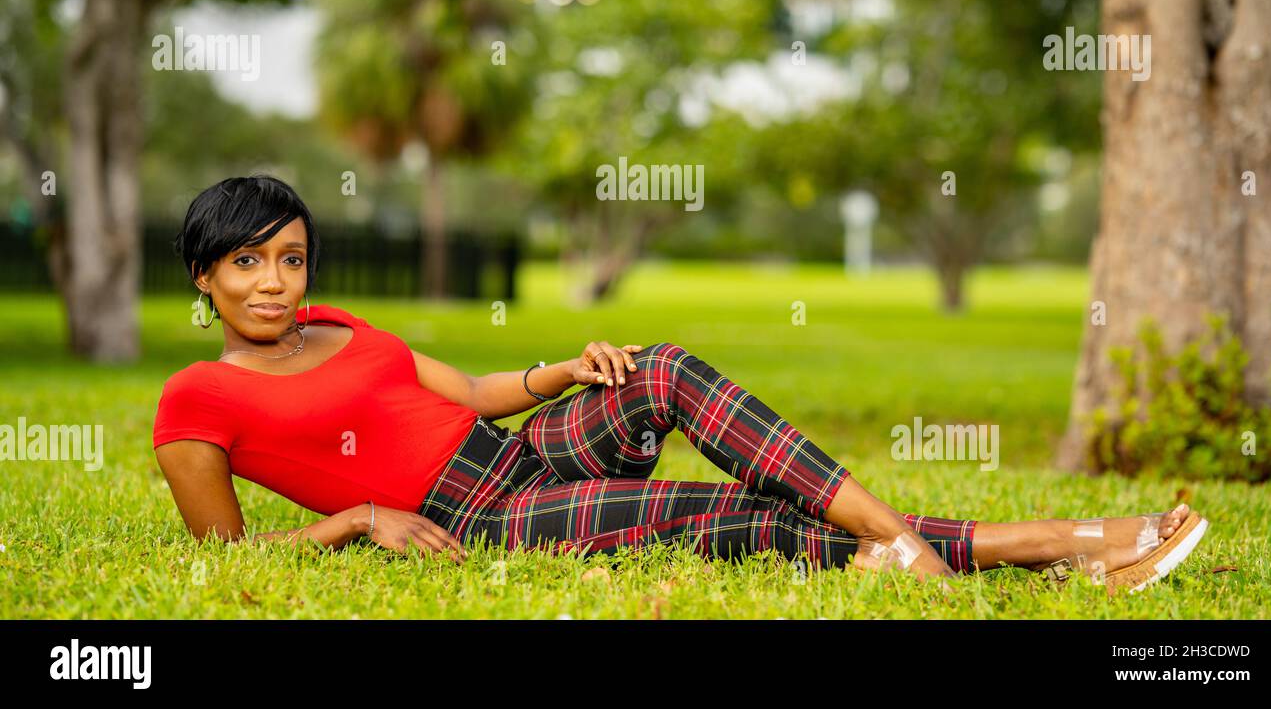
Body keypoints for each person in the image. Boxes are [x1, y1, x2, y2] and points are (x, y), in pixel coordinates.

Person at [153, 174, 1207, 590]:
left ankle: (907, 542)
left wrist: (562, 370)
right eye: (247, 261)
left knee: (658, 366)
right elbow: (223, 557)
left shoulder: (338, 323)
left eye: (290, 256)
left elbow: (467, 391)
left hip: (518, 447)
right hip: (481, 510)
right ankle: (1060, 540)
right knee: (725, 513)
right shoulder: (196, 397)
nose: (275, 280)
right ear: (205, 274)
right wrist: (358, 519)